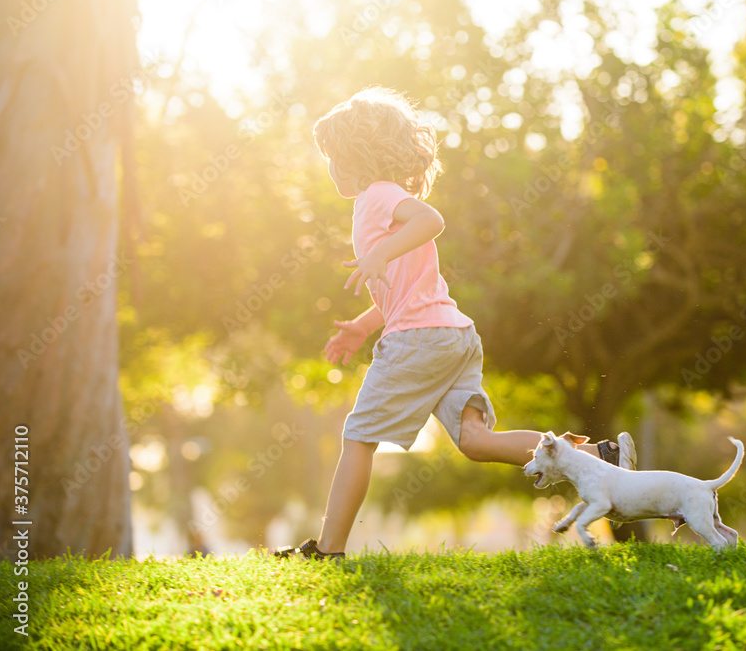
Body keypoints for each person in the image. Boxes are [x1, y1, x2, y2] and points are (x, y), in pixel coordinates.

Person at [273, 87, 636, 560]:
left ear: (354, 156)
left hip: (419, 341)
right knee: (477, 441)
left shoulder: (377, 196)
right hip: (452, 335)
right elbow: (406, 292)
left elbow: (431, 219)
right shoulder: (378, 202)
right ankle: (601, 458)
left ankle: (329, 549)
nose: (329, 168)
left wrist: (379, 251)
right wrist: (364, 325)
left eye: (331, 157)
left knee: (358, 438)